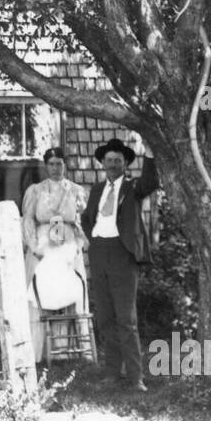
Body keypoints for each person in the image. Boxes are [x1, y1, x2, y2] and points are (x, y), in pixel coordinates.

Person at [80, 137, 159, 391]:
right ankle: (112, 373)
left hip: (122, 254)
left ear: (125, 164)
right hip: (99, 252)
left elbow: (151, 183)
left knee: (126, 318)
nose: (112, 164)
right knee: (105, 317)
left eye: (118, 160)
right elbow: (87, 218)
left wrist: (149, 155)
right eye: (109, 160)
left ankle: (136, 378)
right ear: (103, 163)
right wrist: (94, 237)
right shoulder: (96, 190)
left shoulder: (133, 187)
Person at [21, 147, 90, 364]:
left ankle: (71, 348)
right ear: (45, 166)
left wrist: (78, 245)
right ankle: (38, 350)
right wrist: (33, 247)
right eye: (51, 164)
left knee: (71, 291)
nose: (55, 168)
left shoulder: (76, 191)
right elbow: (28, 220)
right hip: (43, 248)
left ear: (65, 165)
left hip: (67, 248)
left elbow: (81, 223)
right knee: (39, 292)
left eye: (59, 163)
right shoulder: (36, 191)